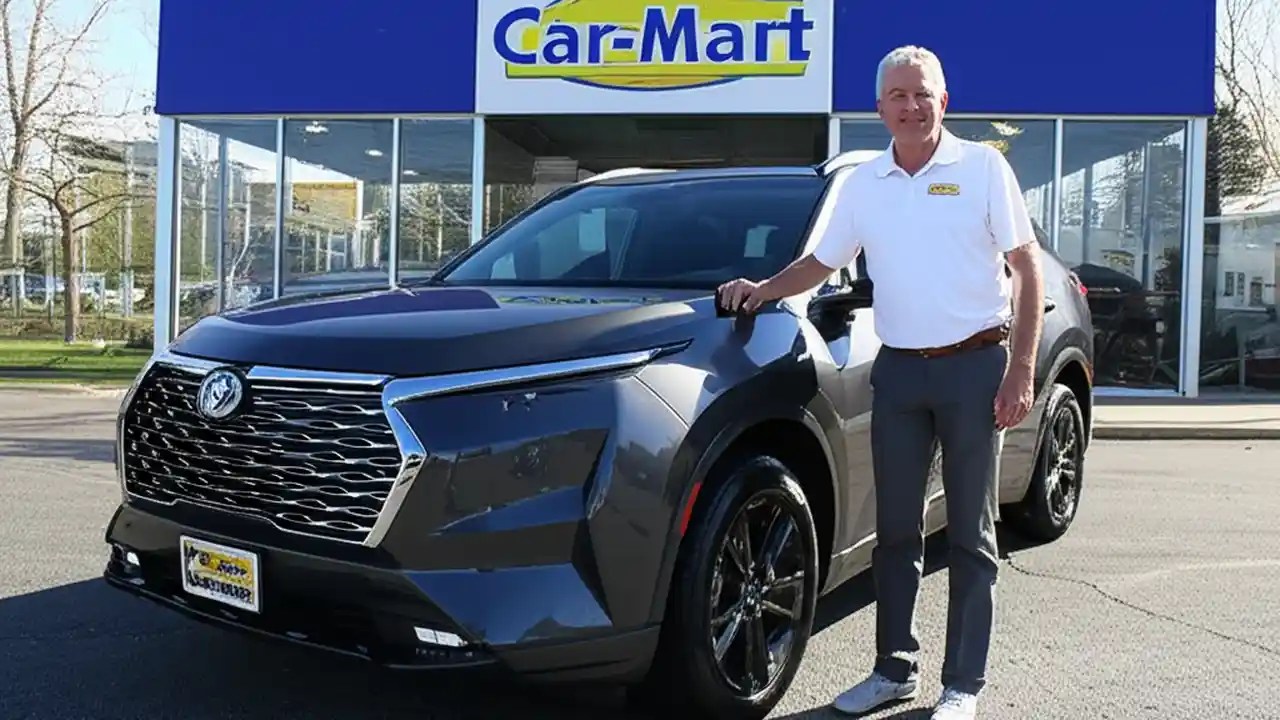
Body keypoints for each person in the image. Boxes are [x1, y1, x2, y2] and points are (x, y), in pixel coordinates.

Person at [716, 45, 1043, 720]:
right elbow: (819, 262)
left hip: (975, 365)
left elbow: (1027, 269)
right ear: (879, 108)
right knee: (896, 532)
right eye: (898, 95)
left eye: (923, 93)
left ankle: (963, 686)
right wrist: (763, 290)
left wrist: (1021, 368)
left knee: (970, 535)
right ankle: (895, 670)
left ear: (944, 101)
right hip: (898, 373)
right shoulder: (866, 182)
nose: (912, 105)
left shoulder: (983, 168)